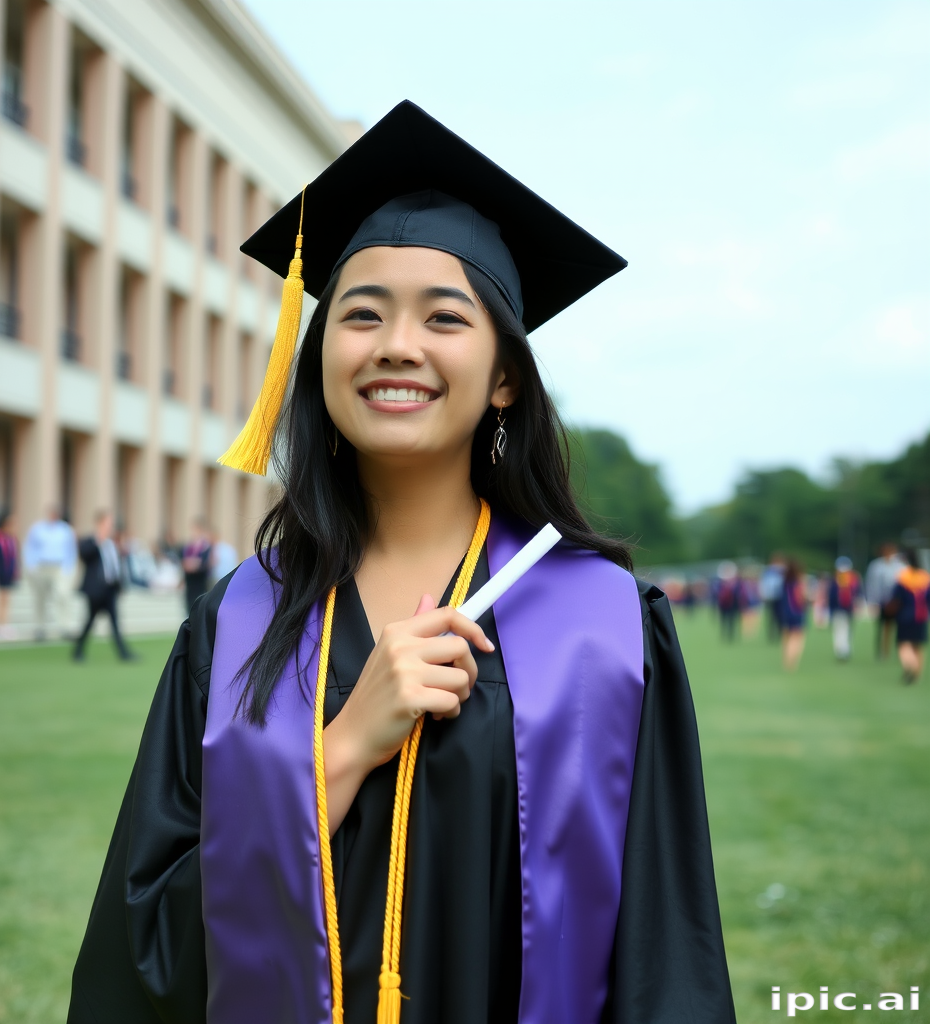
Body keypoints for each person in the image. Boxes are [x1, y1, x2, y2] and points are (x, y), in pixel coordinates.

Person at [68, 101, 734, 1024]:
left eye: (445, 317)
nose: (397, 345)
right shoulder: (235, 626)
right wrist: (341, 750)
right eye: (362, 313)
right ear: (319, 359)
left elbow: (668, 960)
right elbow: (141, 953)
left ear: (506, 375)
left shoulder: (607, 628)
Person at [72, 510, 136, 662]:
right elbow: (85, 555)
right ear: (100, 523)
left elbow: (115, 566)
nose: (111, 526)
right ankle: (78, 651)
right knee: (89, 621)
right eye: (108, 523)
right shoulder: (91, 541)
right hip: (95, 590)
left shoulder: (111, 544)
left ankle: (123, 653)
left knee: (114, 622)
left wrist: (119, 585)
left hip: (110, 590)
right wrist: (98, 541)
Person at [24, 504, 77, 641]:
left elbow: (71, 550)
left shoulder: (65, 530)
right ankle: (39, 628)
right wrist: (31, 565)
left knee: (63, 595)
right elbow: (30, 546)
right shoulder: (37, 528)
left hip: (59, 567)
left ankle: (66, 627)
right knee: (40, 598)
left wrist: (68, 568)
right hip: (41, 567)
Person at [887, 549, 929, 684]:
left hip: (904, 615)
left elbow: (895, 598)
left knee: (903, 643)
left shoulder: (903, 577)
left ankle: (909, 665)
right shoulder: (925, 577)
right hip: (921, 615)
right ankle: (917, 671)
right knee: (917, 645)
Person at [865, 542, 906, 660]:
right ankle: (883, 651)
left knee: (899, 628)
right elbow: (871, 584)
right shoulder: (876, 566)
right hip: (883, 601)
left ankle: (900, 651)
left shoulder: (900, 566)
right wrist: (872, 601)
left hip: (898, 601)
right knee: (883, 627)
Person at [0, 512, 20, 639]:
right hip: (0, 571)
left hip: (9, 571)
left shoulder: (12, 539)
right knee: (1, 599)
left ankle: (5, 624)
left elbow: (14, 557)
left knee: (7, 599)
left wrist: (16, 571)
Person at [828, 556, 862, 661]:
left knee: (839, 630)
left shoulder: (836, 579)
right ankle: (845, 649)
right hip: (848, 609)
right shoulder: (854, 579)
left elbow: (831, 596)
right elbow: (859, 594)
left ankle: (842, 650)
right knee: (847, 630)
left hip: (839, 609)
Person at [779, 559, 807, 671]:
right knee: (797, 638)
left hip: (785, 612)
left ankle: (786, 660)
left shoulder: (785, 582)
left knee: (786, 636)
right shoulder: (798, 582)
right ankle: (792, 661)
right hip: (797, 612)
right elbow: (801, 598)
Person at [181, 516, 213, 615]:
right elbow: (184, 562)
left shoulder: (205, 547)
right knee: (189, 608)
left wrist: (195, 564)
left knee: (199, 607)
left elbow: (206, 563)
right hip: (190, 583)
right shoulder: (189, 547)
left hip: (200, 582)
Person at [759, 553, 786, 641]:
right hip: (772, 596)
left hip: (780, 597)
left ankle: (780, 634)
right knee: (772, 617)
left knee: (779, 617)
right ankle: (772, 635)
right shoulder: (769, 571)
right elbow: (764, 584)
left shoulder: (783, 570)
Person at [715, 560, 743, 641]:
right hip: (724, 604)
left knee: (732, 620)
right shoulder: (720, 582)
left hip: (732, 603)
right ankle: (724, 635)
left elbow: (738, 592)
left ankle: (731, 635)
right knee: (724, 620)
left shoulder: (735, 582)